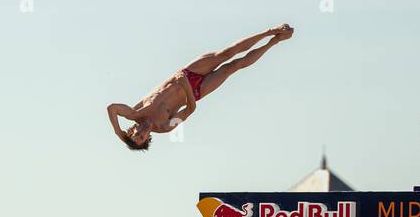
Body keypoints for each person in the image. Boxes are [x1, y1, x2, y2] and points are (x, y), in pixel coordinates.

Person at [107, 24, 294, 150]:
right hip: (195, 90)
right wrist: (187, 88)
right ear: (147, 139)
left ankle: (270, 31)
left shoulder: (134, 113)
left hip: (188, 73)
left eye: (135, 134)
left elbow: (112, 108)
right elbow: (190, 109)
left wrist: (118, 133)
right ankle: (275, 42)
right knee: (234, 67)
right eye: (141, 138)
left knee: (226, 54)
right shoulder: (165, 127)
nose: (140, 133)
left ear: (131, 130)